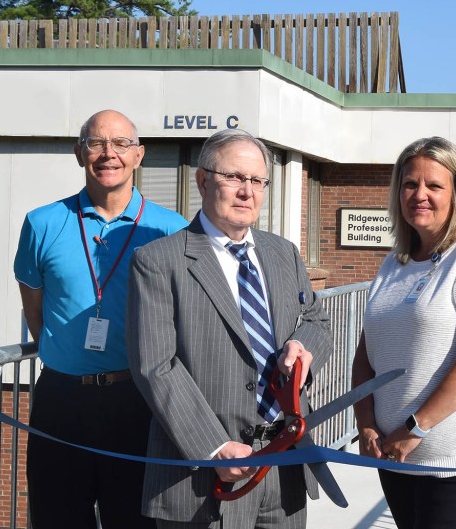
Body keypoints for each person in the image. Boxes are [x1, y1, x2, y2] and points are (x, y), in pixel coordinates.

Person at [126, 128, 333, 529]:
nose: (247, 191)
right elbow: (156, 365)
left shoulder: (282, 253)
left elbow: (315, 320)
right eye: (234, 177)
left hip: (283, 466)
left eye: (257, 181)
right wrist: (214, 447)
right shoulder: (158, 261)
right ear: (203, 180)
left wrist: (301, 347)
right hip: (203, 479)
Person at [14, 109, 189, 528]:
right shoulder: (41, 224)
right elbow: (34, 308)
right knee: (57, 518)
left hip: (138, 401)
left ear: (139, 155)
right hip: (61, 402)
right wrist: (69, 357)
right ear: (79, 153)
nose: (108, 154)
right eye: (96, 143)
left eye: (121, 144)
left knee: (135, 520)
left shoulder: (172, 230)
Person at [351, 136, 456, 529]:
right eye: (410, 184)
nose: (420, 195)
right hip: (396, 455)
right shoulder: (394, 263)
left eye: (434, 186)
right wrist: (366, 422)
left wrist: (415, 428)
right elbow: (367, 352)